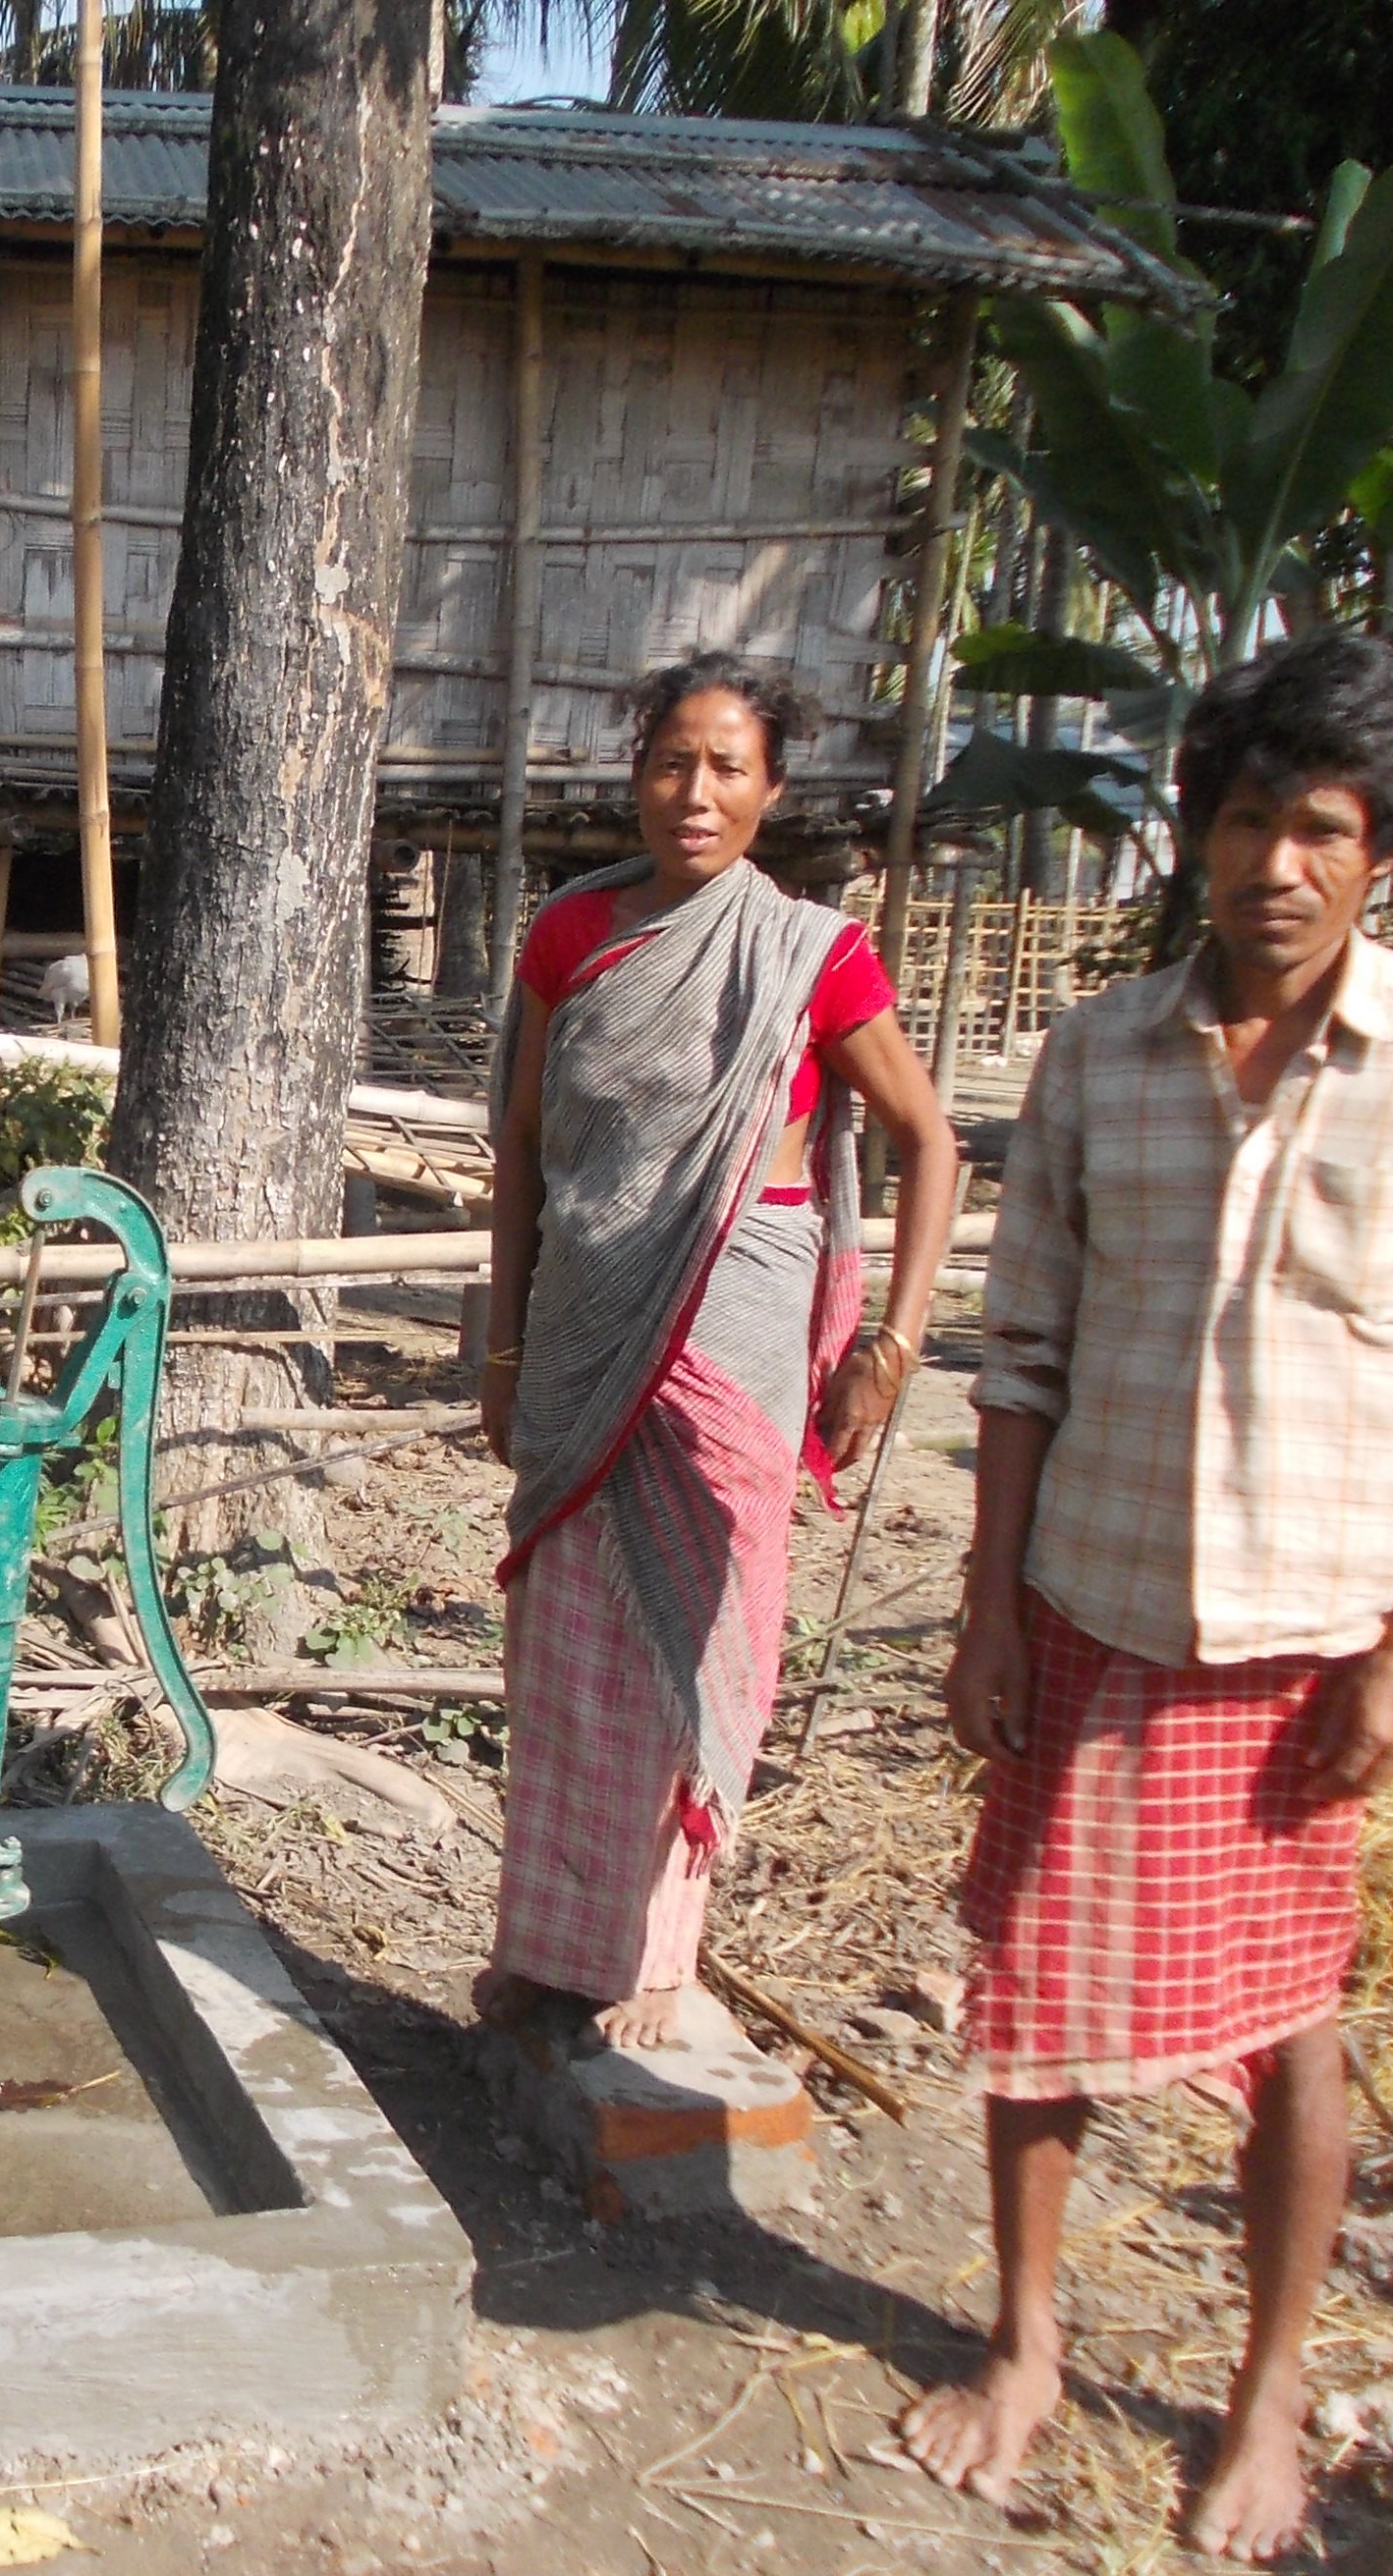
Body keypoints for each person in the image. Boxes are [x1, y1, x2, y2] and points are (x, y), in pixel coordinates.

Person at [905, 630, 1393, 2562]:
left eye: (1324, 829)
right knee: (1037, 2000)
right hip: (1095, 1601)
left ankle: (1263, 2405)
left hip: (1310, 1645)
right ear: (1197, 832)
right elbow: (1018, 1353)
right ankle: (1024, 2347)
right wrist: (988, 1613)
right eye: (1249, 819)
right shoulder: (1099, 1051)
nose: (1278, 862)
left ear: (1381, 856)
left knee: (1290, 2034)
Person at [477, 656, 960, 2052]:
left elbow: (931, 1143)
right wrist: (503, 1344)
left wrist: (894, 1343)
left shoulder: (815, 953)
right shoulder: (572, 936)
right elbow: (520, 1149)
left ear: (772, 791)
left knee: (703, 1635)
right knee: (570, 1645)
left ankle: (658, 1959)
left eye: (728, 768)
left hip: (735, 1327)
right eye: (671, 763)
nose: (695, 794)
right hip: (581, 1322)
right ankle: (548, 1950)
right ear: (636, 775)